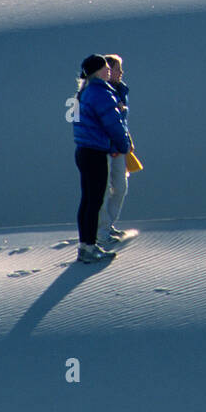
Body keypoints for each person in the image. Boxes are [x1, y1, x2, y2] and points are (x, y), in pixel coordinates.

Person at [72, 54, 133, 264]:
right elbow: (112, 123)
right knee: (94, 201)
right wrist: (124, 145)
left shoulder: (85, 91)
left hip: (84, 151)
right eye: (106, 67)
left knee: (88, 201)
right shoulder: (100, 93)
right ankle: (89, 247)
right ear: (98, 71)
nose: (109, 70)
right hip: (95, 152)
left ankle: (85, 246)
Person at [97, 54, 131, 246]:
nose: (121, 72)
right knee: (103, 191)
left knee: (120, 187)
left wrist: (126, 141)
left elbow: (120, 123)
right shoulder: (102, 93)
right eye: (117, 68)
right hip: (105, 149)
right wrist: (113, 146)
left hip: (119, 146)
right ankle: (101, 231)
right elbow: (104, 123)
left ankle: (108, 225)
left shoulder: (121, 90)